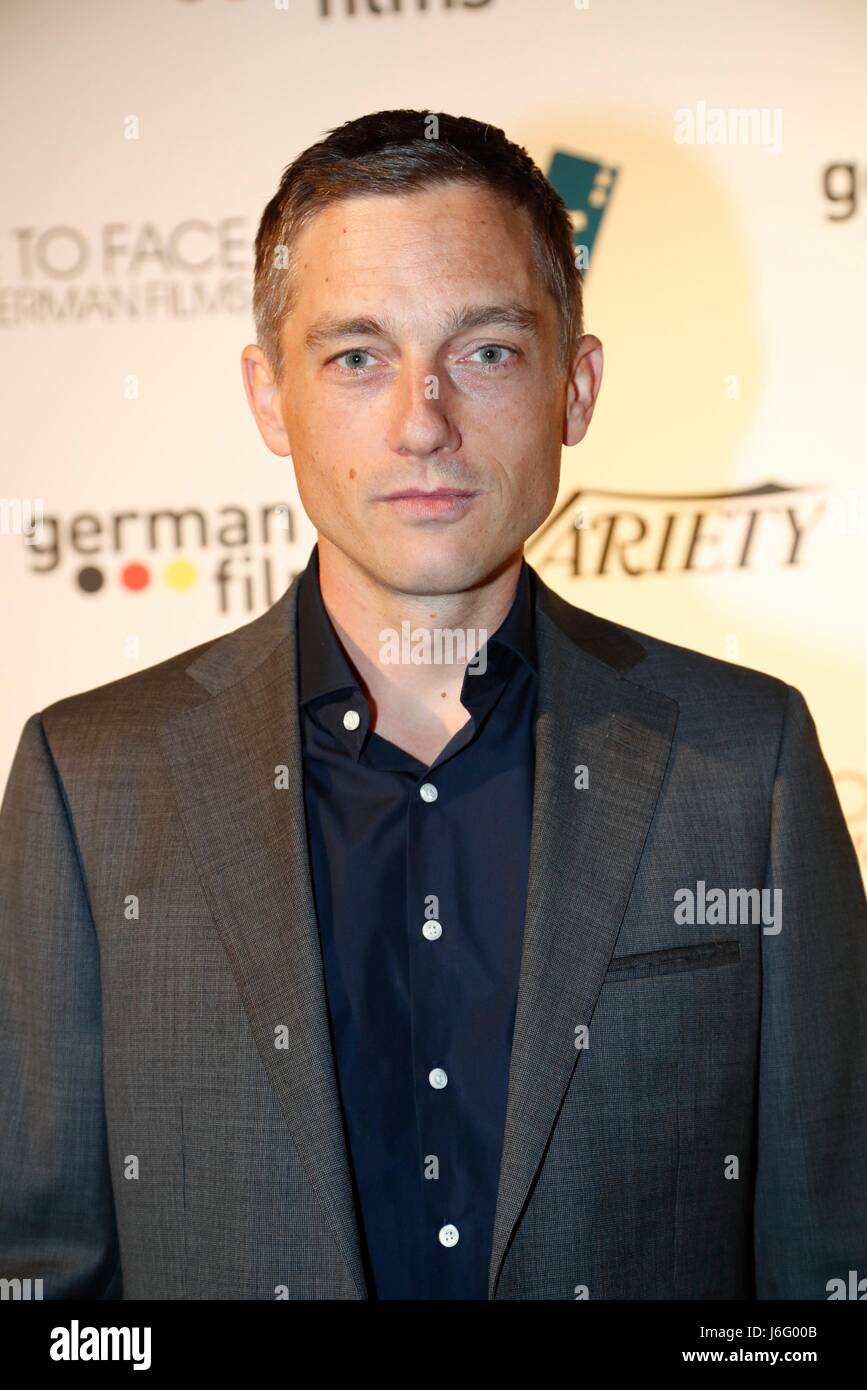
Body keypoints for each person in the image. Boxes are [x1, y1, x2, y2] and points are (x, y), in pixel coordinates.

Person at [1, 109, 865, 1301]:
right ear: (269, 398)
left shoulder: (748, 763)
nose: (423, 421)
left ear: (577, 385)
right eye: (357, 355)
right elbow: (45, 1285)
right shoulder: (86, 782)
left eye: (488, 351)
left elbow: (829, 1268)